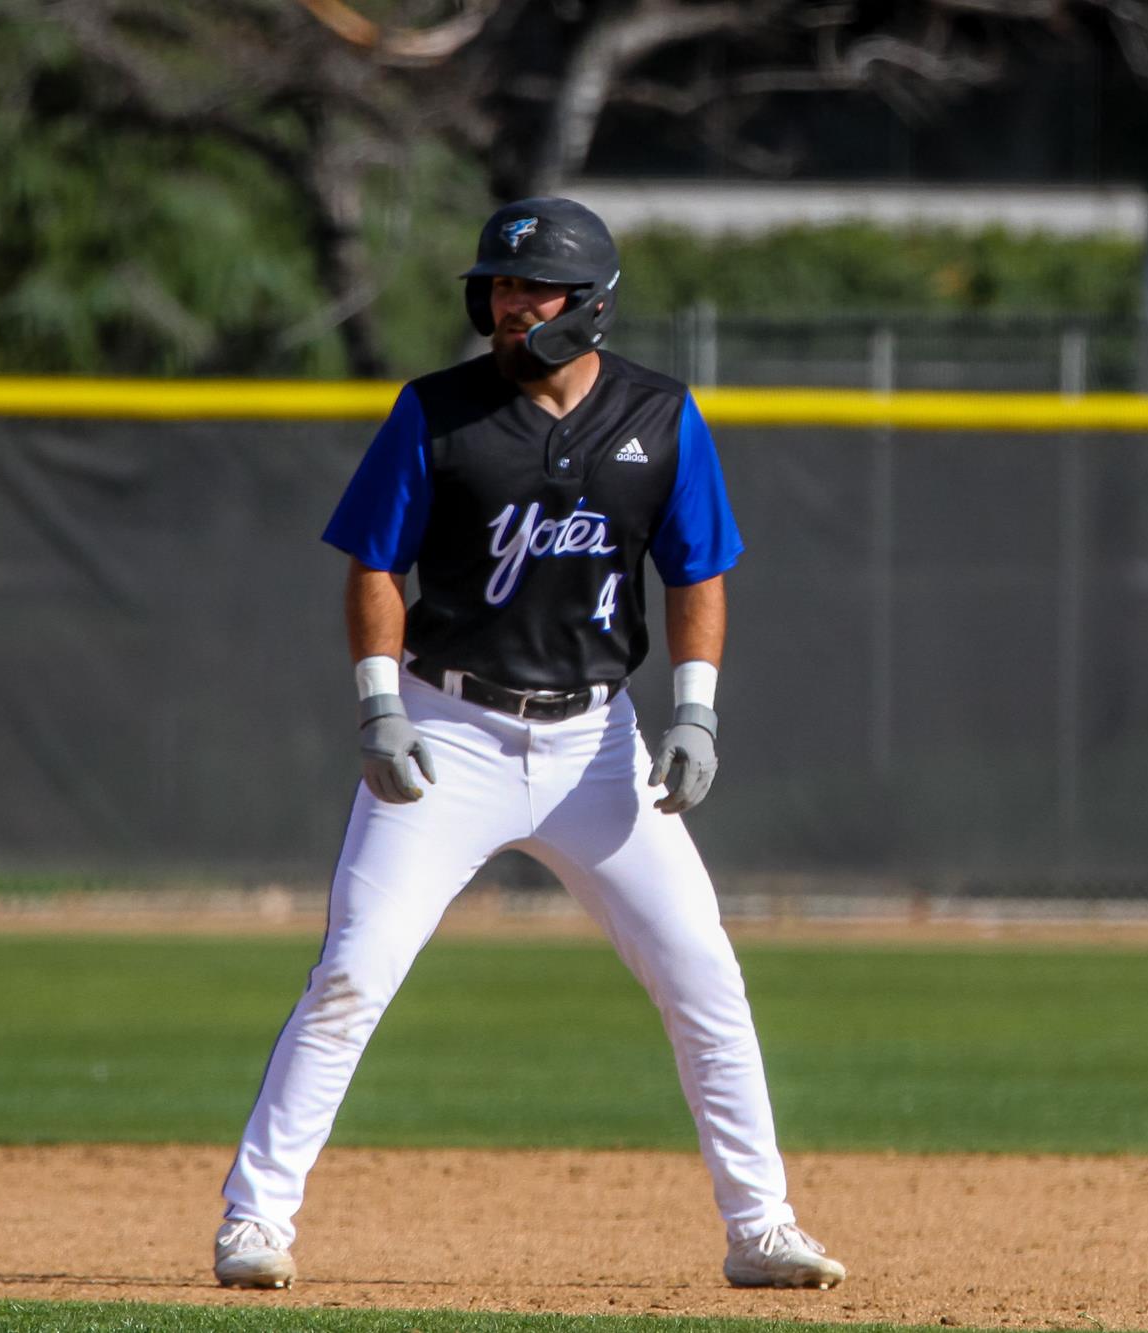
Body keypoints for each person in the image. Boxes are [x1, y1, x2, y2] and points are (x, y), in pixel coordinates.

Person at [212, 197, 845, 1293]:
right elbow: (374, 565)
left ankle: (760, 1228)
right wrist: (379, 705)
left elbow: (697, 572)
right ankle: (253, 1222)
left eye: (532, 288)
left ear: (590, 304)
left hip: (597, 748)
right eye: (500, 286)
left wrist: (694, 710)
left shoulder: (659, 413)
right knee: (352, 976)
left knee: (704, 976)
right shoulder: (437, 413)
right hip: (446, 733)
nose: (509, 304)